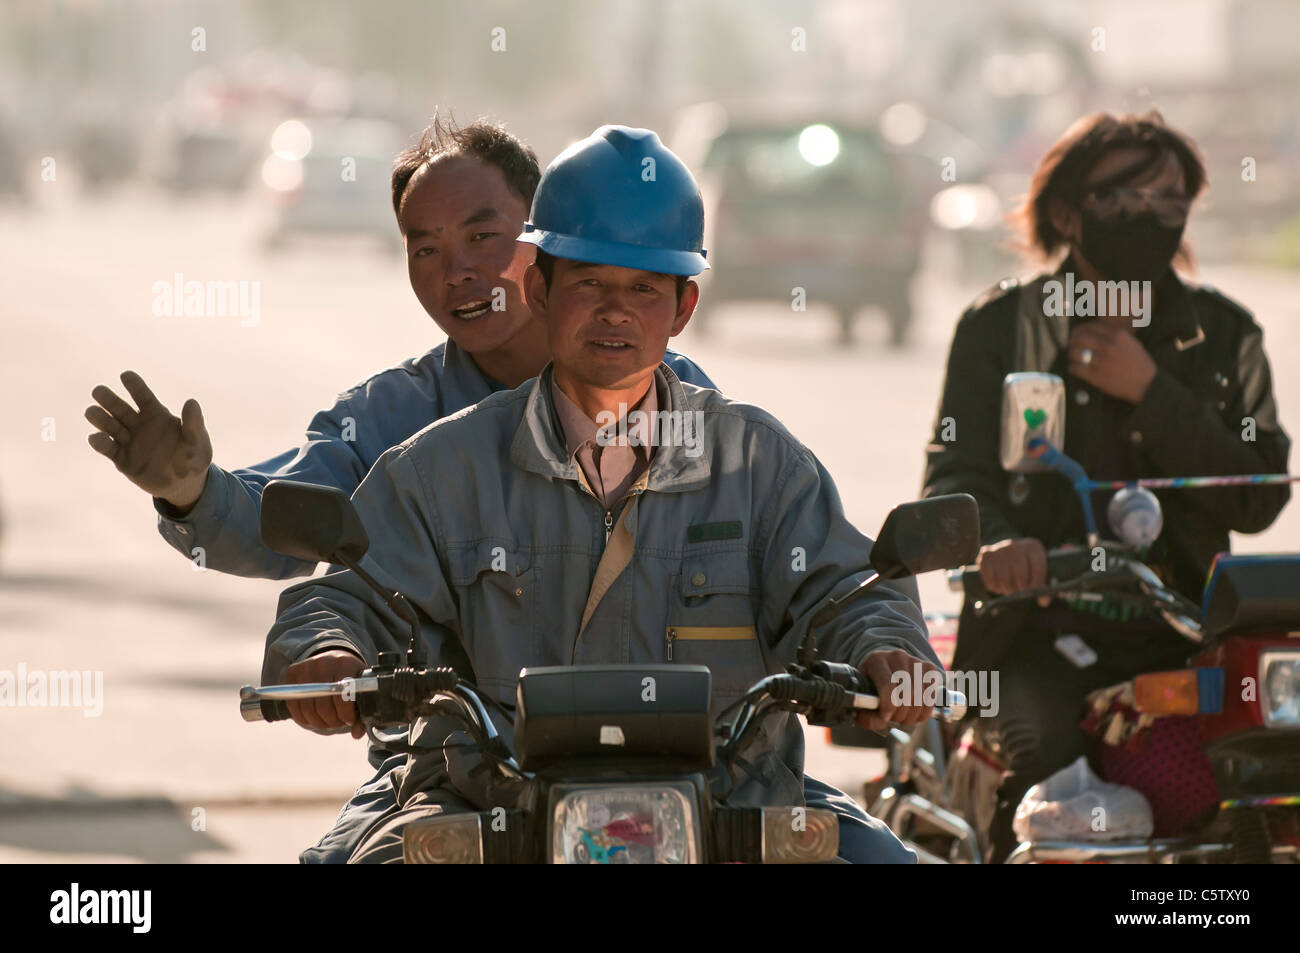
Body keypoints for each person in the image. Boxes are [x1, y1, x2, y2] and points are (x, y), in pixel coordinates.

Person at [263, 125, 942, 864]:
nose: (615, 311)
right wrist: (326, 652)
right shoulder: (441, 467)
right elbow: (352, 594)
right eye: (589, 282)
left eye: (642, 289)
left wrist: (886, 648)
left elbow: (846, 589)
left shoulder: (760, 463)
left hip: (734, 806)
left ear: (682, 308)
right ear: (539, 288)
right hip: (488, 809)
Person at [83, 117, 718, 862]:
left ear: (546, 243)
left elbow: (817, 567)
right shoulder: (396, 423)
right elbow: (303, 543)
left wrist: (875, 650)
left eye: (483, 237)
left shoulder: (689, 413)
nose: (456, 272)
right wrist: (193, 492)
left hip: (676, 773)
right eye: (426, 248)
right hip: (455, 776)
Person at [922, 111, 1290, 861]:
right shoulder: (998, 327)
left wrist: (1153, 392)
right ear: (1066, 212)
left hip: (1189, 638)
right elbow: (951, 476)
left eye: (1168, 203)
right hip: (1030, 636)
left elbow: (1259, 493)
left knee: (1264, 791)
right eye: (1122, 201)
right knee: (1049, 789)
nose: (1148, 219)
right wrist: (998, 542)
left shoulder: (1226, 336)